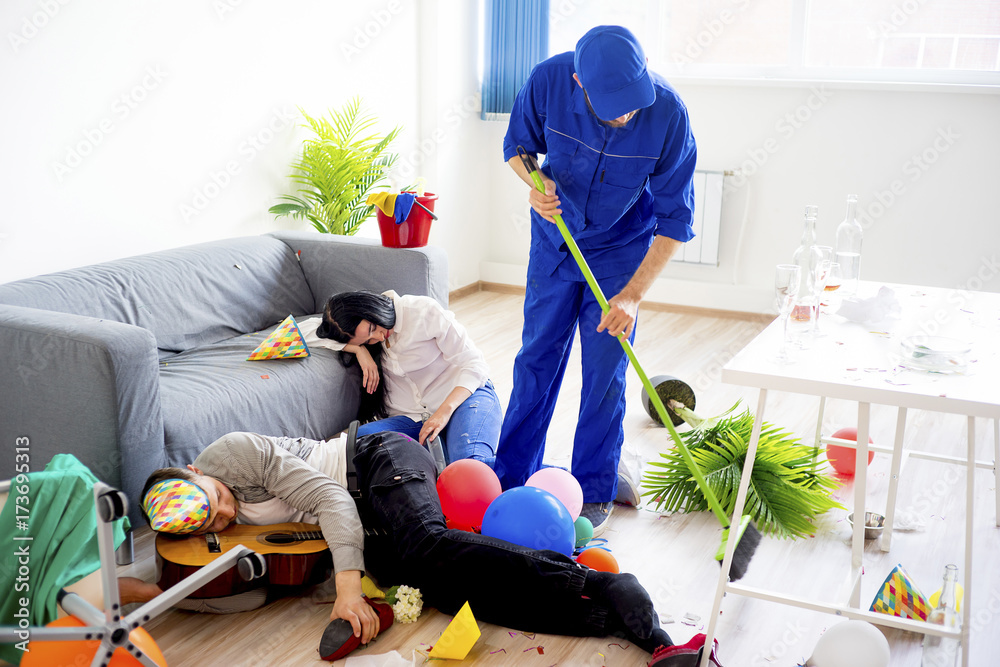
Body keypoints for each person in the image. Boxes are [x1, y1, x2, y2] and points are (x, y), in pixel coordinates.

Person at [139, 429, 676, 659]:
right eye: (212, 522)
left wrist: (349, 589)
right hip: (368, 520)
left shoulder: (230, 455)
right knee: (444, 589)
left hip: (376, 461)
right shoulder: (196, 523)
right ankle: (603, 618)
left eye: (217, 498)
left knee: (424, 545)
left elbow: (330, 499)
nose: (226, 513)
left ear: (195, 471)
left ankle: (598, 581)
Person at [495, 25, 698, 535]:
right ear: (580, 81)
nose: (628, 113)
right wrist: (535, 183)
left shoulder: (669, 113)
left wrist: (631, 297)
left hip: (622, 253)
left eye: (633, 101)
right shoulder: (548, 80)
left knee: (606, 374)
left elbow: (676, 221)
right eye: (614, 104)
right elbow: (519, 147)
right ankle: (509, 478)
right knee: (536, 358)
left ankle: (593, 488)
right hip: (556, 241)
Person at [299, 290, 501, 467]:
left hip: (462, 400)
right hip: (412, 418)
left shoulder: (423, 311)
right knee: (353, 445)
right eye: (368, 340)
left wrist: (443, 413)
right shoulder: (359, 334)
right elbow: (300, 331)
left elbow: (476, 364)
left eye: (372, 329)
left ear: (371, 309)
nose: (377, 338)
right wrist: (358, 348)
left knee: (468, 466)